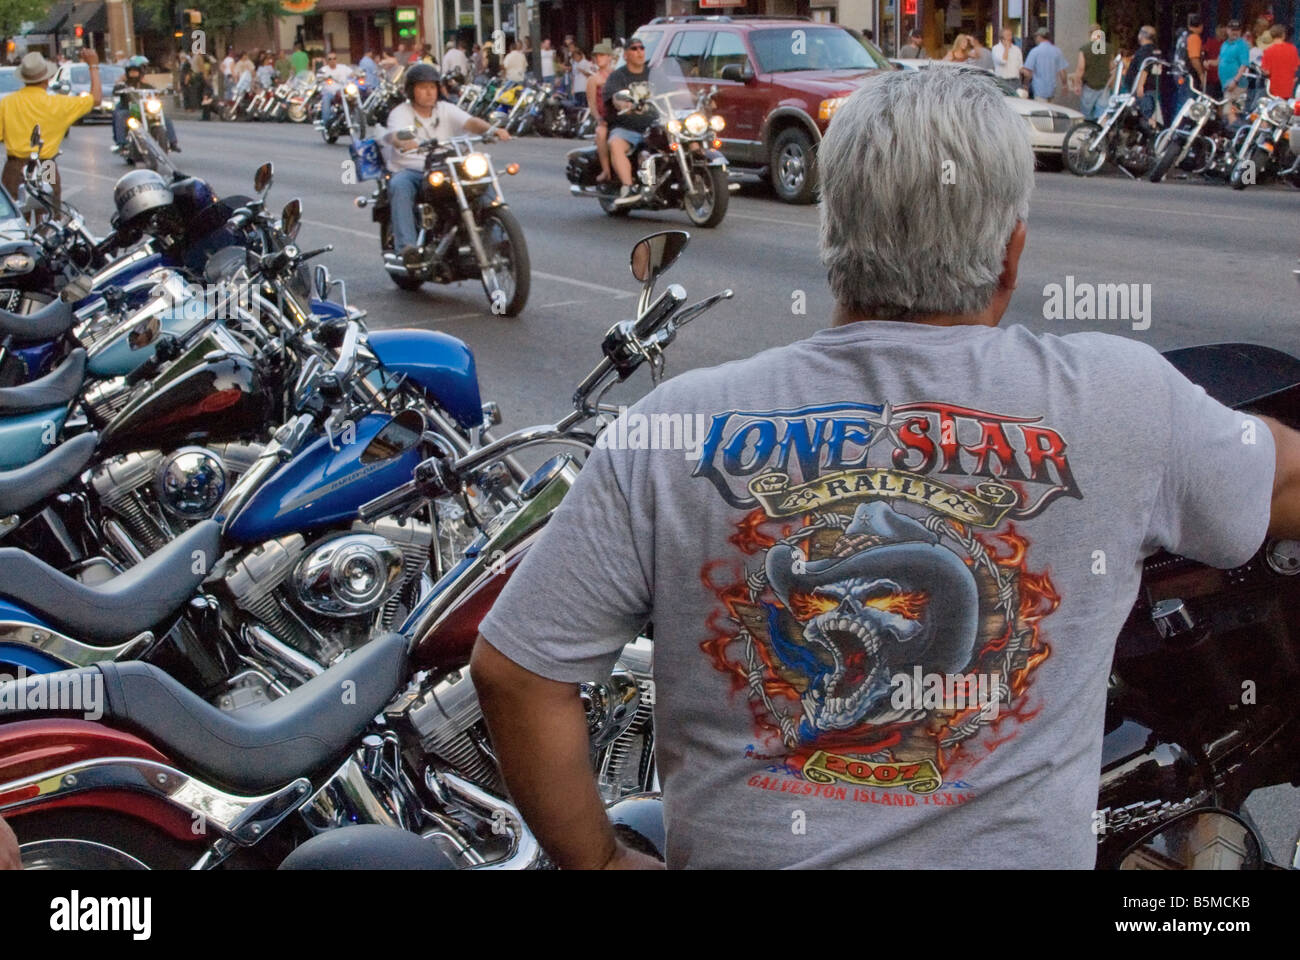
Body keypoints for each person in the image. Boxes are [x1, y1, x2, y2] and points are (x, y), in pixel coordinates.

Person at [467, 65, 1300, 871]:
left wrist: (600, 861)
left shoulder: (672, 425)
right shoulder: (1122, 400)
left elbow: (514, 670)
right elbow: (1283, 480)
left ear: (832, 237)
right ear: (1011, 255)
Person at [379, 63, 509, 267]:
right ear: (411, 90)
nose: (429, 92)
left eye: (432, 87)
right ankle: (407, 247)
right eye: (422, 87)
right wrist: (403, 140)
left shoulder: (446, 109)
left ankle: (498, 238)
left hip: (446, 165)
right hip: (413, 169)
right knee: (399, 185)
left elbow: (470, 122)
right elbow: (395, 135)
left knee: (481, 180)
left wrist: (490, 130)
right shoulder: (401, 112)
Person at [0, 50, 101, 208]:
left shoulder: (6, 104)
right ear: (46, 79)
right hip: (46, 166)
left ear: (24, 79)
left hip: (15, 167)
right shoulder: (58, 104)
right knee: (50, 217)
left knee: (14, 221)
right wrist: (93, 66)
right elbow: (95, 99)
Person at [602, 36, 655, 206]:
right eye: (634, 49)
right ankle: (628, 187)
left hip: (653, 124)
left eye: (641, 48)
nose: (639, 52)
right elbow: (614, 98)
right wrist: (622, 103)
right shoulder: (618, 76)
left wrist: (692, 96)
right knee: (616, 144)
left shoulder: (653, 73)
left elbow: (673, 90)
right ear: (626, 55)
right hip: (628, 126)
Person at [1071, 24, 1111, 120]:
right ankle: (1101, 132)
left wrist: (1077, 84)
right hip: (1104, 85)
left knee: (1086, 113)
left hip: (1089, 85)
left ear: (1090, 34)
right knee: (1102, 114)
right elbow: (1111, 65)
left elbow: (1081, 68)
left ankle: (1087, 131)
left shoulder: (1085, 49)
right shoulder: (1108, 48)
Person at [588, 39, 614, 184]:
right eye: (597, 56)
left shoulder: (617, 75)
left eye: (602, 55)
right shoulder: (594, 79)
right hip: (605, 118)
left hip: (620, 116)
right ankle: (605, 170)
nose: (599, 58)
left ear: (609, 57)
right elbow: (592, 103)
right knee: (601, 133)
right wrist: (599, 119)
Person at [1022, 27, 1068, 101]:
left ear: (1040, 37)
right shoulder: (1057, 51)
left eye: (1036, 37)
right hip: (1052, 90)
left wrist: (1025, 85)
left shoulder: (1035, 51)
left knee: (1041, 111)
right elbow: (1062, 71)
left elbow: (1028, 72)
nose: (1035, 39)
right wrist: (1064, 85)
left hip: (1039, 90)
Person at [1172, 13, 1205, 117]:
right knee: (1188, 104)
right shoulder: (1194, 37)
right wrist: (1201, 74)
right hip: (1188, 76)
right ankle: (1182, 129)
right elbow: (1194, 59)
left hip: (1177, 73)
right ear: (1200, 26)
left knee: (1181, 102)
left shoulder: (1183, 36)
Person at [1219, 20, 1252, 122]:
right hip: (1226, 85)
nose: (1235, 32)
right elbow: (1220, 60)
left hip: (1237, 85)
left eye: (1237, 30)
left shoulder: (1242, 44)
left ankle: (1234, 135)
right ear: (1227, 30)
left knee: (1231, 112)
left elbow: (1244, 64)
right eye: (1232, 30)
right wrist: (1209, 62)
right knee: (1226, 112)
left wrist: (1235, 80)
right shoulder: (1225, 44)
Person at [316, 51, 355, 132]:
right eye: (330, 59)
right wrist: (324, 78)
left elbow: (352, 73)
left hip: (342, 91)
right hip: (330, 92)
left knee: (354, 97)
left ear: (336, 59)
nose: (332, 60)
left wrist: (358, 74)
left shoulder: (343, 67)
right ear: (327, 61)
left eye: (334, 58)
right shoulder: (324, 69)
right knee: (326, 99)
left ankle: (357, 118)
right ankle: (326, 124)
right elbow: (318, 77)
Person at [1260, 24, 1299, 99]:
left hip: (1274, 89)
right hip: (1288, 89)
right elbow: (1295, 68)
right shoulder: (1293, 49)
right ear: (1283, 35)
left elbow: (1266, 71)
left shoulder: (1268, 51)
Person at [991, 28, 1023, 93]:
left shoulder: (1016, 49)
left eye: (1010, 35)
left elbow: (1020, 66)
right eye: (1007, 35)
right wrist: (1007, 48)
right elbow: (1003, 61)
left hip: (1015, 81)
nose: (1010, 38)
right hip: (1002, 81)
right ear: (1001, 38)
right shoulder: (996, 48)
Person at [1204, 23, 1227, 98]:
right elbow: (1202, 54)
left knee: (1220, 99)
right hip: (1210, 77)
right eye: (1221, 32)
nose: (1223, 34)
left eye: (1224, 33)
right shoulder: (1210, 42)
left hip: (1221, 78)